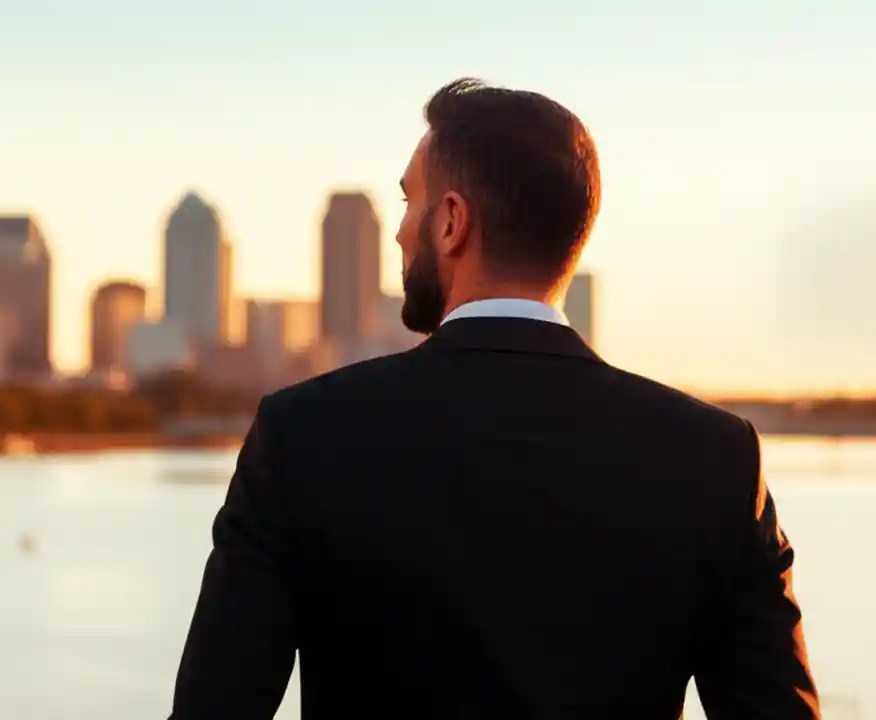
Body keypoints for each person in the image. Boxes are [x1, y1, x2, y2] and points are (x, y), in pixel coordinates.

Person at [170, 78, 819, 719]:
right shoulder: (714, 460)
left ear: (451, 222)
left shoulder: (302, 436)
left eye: (408, 202)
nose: (400, 233)